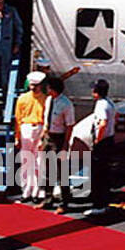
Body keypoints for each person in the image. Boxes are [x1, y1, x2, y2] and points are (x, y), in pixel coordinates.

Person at [39, 73, 75, 210]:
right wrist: (43, 137)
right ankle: (48, 199)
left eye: (48, 88)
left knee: (62, 172)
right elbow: (46, 120)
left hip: (59, 138)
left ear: (53, 89)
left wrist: (65, 145)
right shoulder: (49, 100)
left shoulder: (66, 104)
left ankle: (64, 202)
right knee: (48, 170)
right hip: (49, 136)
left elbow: (70, 125)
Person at [13, 71, 47, 202]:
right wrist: (17, 136)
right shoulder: (22, 99)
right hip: (26, 127)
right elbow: (18, 119)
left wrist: (44, 134)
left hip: (39, 127)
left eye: (36, 85)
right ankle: (26, 190)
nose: (33, 87)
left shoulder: (45, 99)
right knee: (26, 161)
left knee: (39, 161)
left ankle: (38, 191)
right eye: (32, 85)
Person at [87, 78, 116, 214]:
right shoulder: (109, 103)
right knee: (104, 174)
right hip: (109, 140)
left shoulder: (101, 105)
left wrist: (97, 140)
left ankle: (98, 205)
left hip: (102, 143)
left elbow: (102, 123)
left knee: (98, 175)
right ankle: (103, 202)